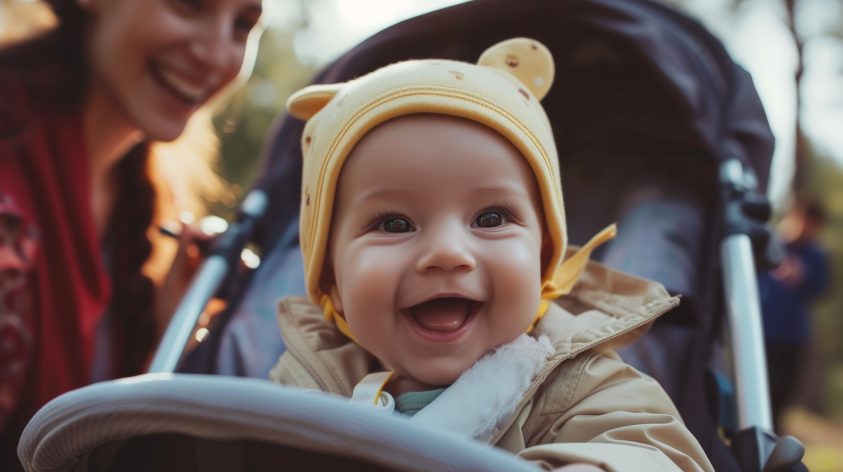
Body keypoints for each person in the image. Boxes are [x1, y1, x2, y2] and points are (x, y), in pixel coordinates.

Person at [268, 38, 713, 471]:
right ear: (331, 280)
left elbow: (652, 451)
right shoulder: (305, 383)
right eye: (394, 224)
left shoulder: (580, 384)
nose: (447, 252)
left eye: (491, 217)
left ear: (543, 260)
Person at [0, 0, 264, 468]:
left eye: (242, 25)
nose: (216, 54)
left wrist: (171, 332)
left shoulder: (149, 201)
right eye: (189, 5)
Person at [759, 200, 830, 432]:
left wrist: (801, 278)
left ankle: (772, 440)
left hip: (793, 335)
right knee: (759, 388)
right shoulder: (768, 244)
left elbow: (820, 289)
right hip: (762, 331)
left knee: (782, 394)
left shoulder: (816, 256)